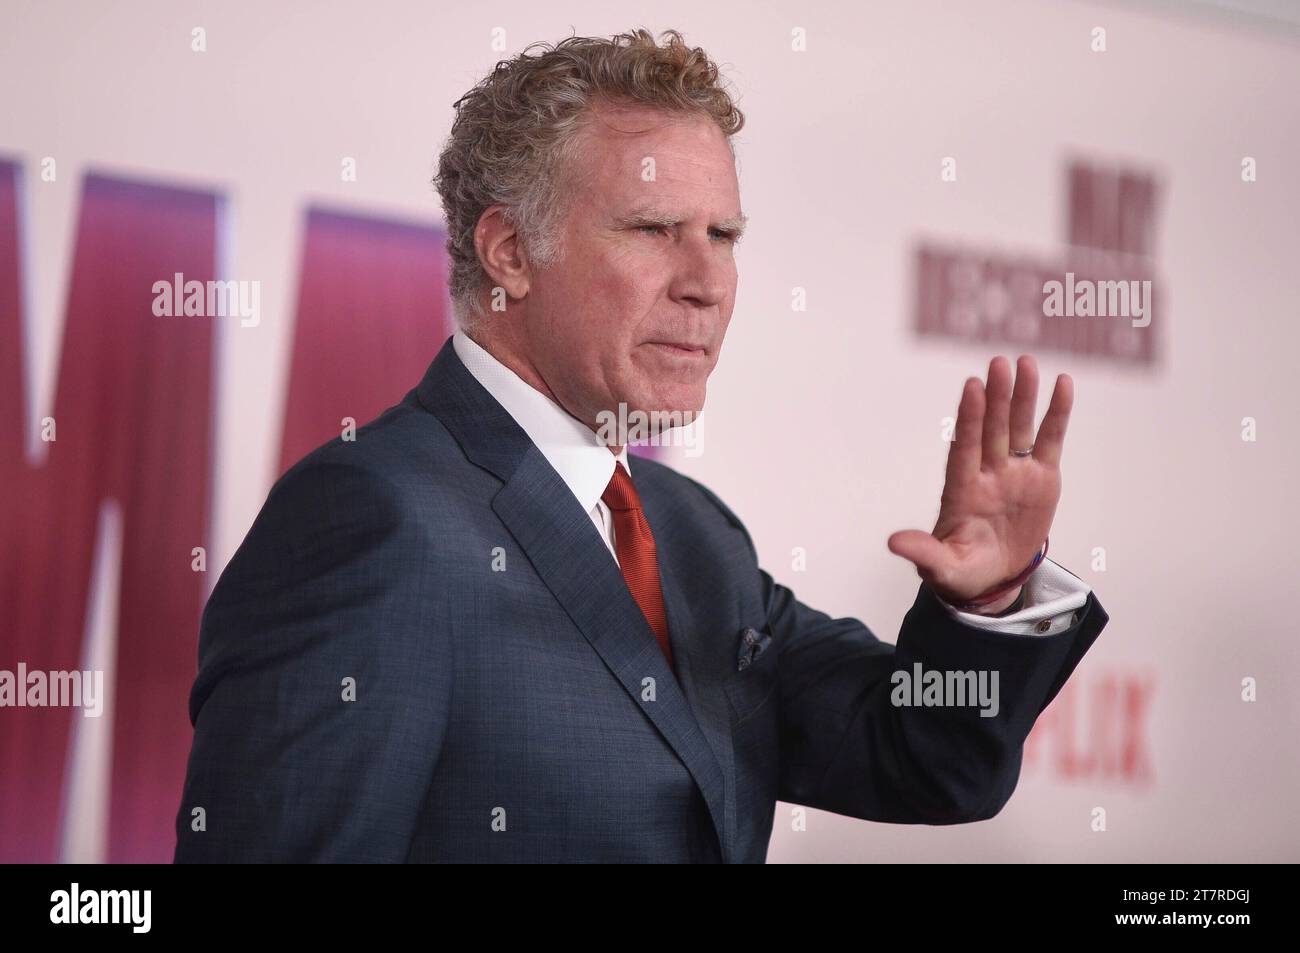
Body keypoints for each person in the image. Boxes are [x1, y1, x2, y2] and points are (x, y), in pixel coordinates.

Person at [174, 28, 1107, 863]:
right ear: (508, 252)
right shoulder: (373, 520)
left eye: (724, 234)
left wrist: (985, 601)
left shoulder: (694, 536)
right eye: (655, 229)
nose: (707, 281)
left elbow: (925, 761)